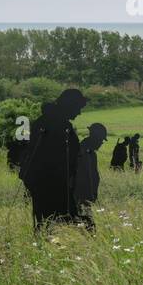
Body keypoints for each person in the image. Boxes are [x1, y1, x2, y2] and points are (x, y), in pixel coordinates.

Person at [19, 89, 88, 229]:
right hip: (54, 183)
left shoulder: (43, 121)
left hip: (44, 182)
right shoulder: (60, 125)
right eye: (78, 108)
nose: (79, 113)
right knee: (60, 223)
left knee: (46, 224)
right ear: (70, 105)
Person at [74, 123, 108, 228]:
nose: (102, 143)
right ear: (95, 138)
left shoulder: (88, 151)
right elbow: (86, 175)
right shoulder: (84, 151)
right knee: (86, 223)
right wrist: (90, 193)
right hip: (82, 193)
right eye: (101, 139)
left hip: (85, 194)